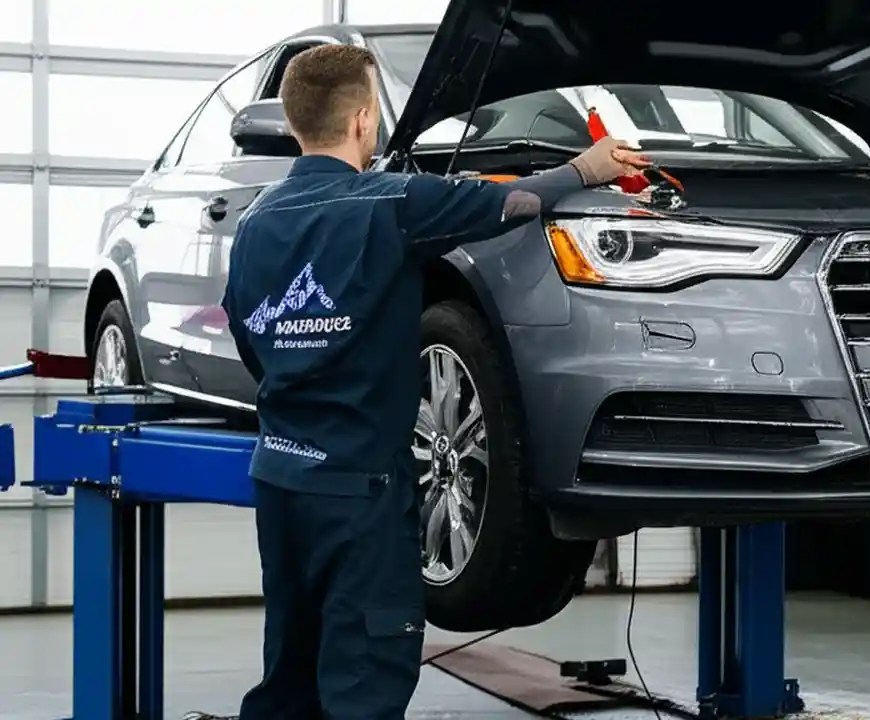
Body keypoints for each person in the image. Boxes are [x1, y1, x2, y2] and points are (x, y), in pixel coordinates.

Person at [218, 44, 649, 720]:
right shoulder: (390, 203)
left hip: (279, 481)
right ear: (363, 121)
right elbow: (513, 203)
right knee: (365, 677)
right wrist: (585, 168)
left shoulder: (255, 224)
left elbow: (249, 339)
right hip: (359, 492)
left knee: (291, 674)